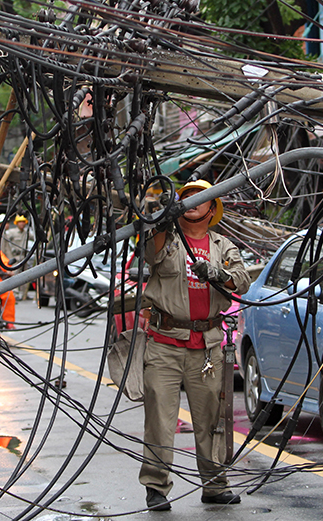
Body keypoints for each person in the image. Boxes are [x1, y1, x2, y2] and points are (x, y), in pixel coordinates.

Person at [139, 180, 251, 511]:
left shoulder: (222, 246)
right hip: (165, 344)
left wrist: (218, 273)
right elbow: (150, 253)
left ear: (211, 208)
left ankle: (215, 485)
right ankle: (156, 486)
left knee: (211, 418)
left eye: (198, 197)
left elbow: (241, 280)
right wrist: (161, 217)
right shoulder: (168, 240)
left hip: (207, 346)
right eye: (185, 197)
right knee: (160, 418)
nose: (192, 201)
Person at [3, 215, 32, 298]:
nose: (22, 224)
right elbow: (5, 241)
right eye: (20, 222)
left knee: (26, 276)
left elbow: (35, 238)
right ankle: (15, 293)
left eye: (23, 222)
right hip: (16, 257)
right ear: (16, 223)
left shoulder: (27, 232)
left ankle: (24, 294)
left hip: (24, 257)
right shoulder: (12, 232)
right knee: (15, 275)